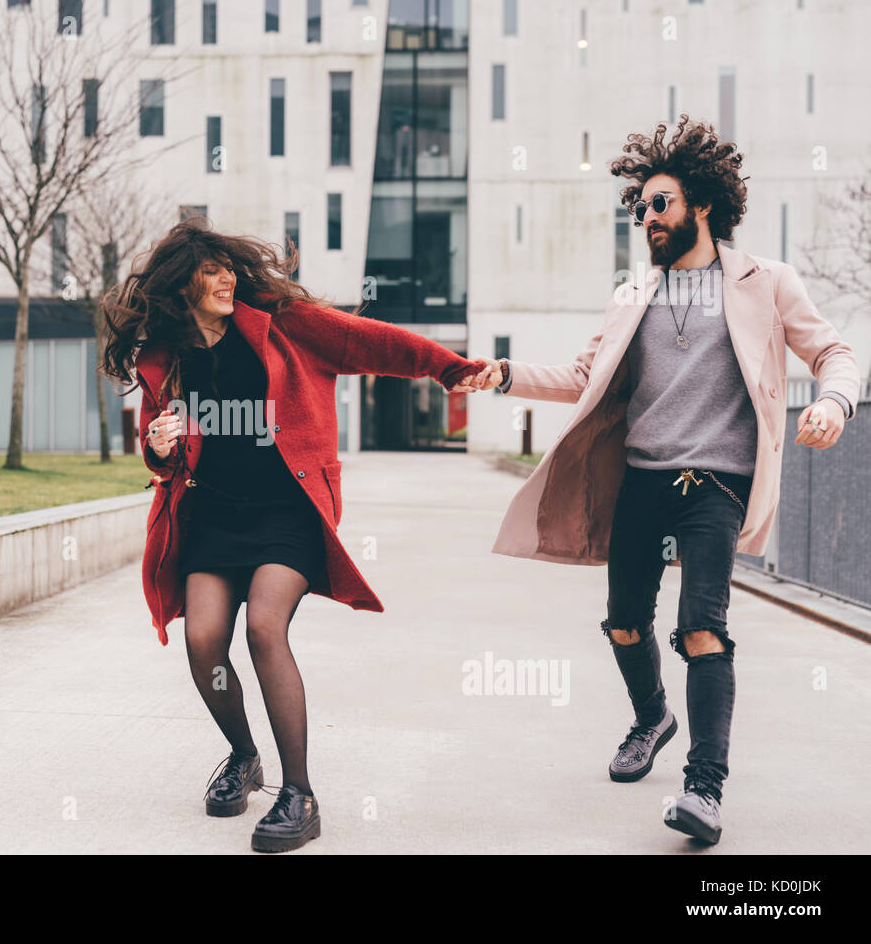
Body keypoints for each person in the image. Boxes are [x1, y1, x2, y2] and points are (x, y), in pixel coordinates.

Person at [455, 115, 860, 845]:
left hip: (719, 480)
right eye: (639, 207)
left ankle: (704, 789)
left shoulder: (766, 282)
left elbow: (832, 350)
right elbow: (583, 376)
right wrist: (507, 374)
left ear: (702, 204)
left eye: (660, 202)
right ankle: (651, 716)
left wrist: (833, 400)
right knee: (622, 622)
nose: (647, 216)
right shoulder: (631, 295)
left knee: (702, 626)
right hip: (642, 477)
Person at [100, 220, 485, 852]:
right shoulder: (166, 360)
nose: (226, 278)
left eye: (229, 268)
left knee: (263, 628)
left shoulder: (284, 326)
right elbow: (161, 448)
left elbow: (372, 342)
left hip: (288, 511)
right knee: (202, 641)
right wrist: (157, 445)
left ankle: (299, 794)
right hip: (216, 516)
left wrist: (448, 368)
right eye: (210, 271)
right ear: (181, 285)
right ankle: (244, 755)